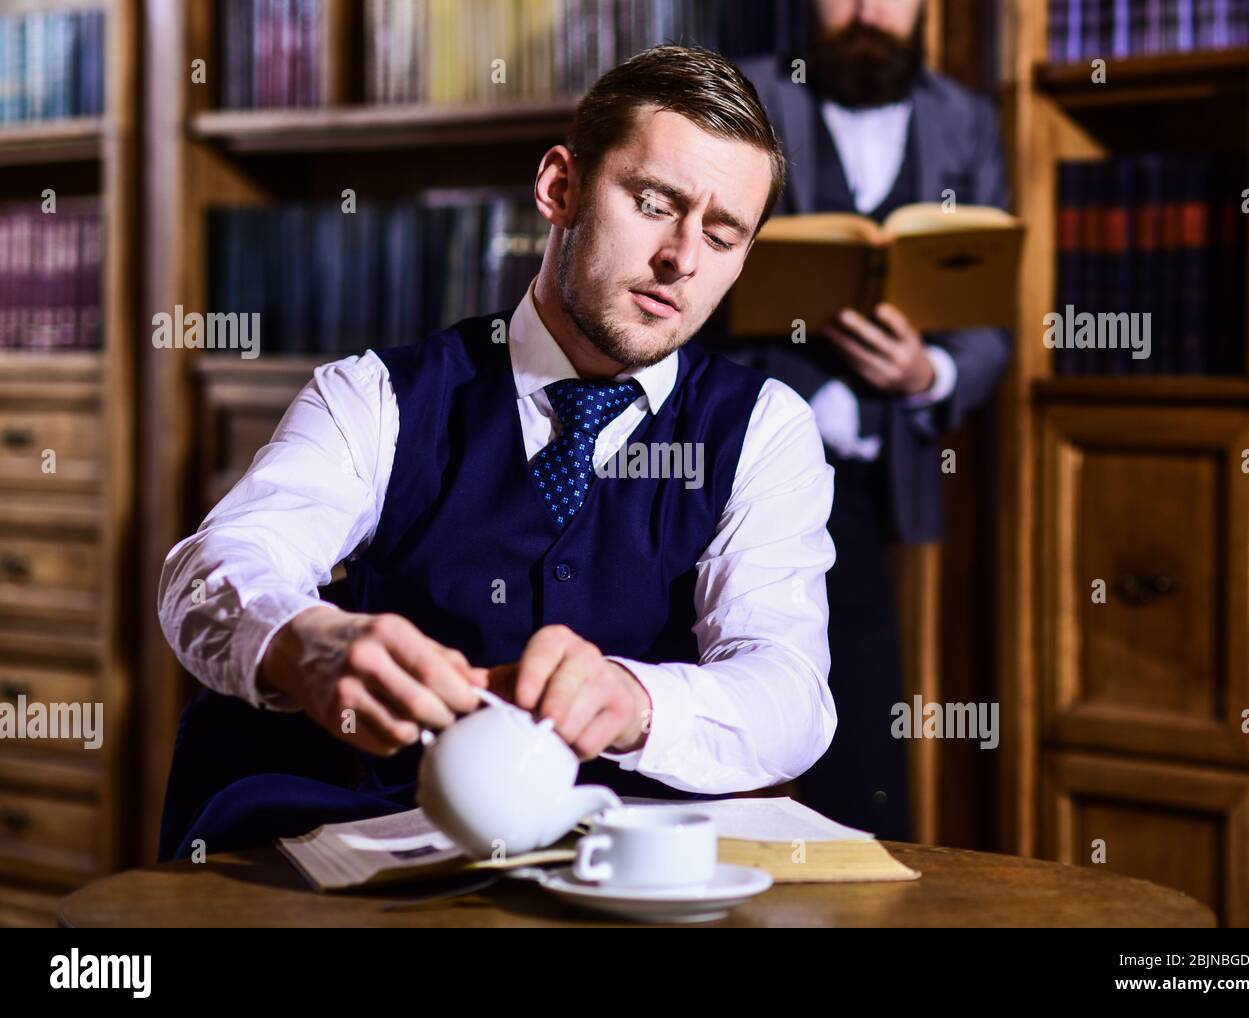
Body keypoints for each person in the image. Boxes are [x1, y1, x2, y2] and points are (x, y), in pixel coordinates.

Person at [155, 44, 839, 861]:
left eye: (723, 235)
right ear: (560, 188)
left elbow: (790, 692)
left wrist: (634, 699)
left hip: (621, 879)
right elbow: (216, 564)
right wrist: (307, 642)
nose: (682, 259)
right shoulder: (374, 397)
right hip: (384, 864)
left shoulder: (765, 429)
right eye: (655, 203)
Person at [716, 0, 1012, 840]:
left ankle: (861, 871)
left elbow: (994, 313)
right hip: (744, 447)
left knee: (867, 685)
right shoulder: (750, 94)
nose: (866, 10)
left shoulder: (968, 119)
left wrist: (932, 371)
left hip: (892, 469)